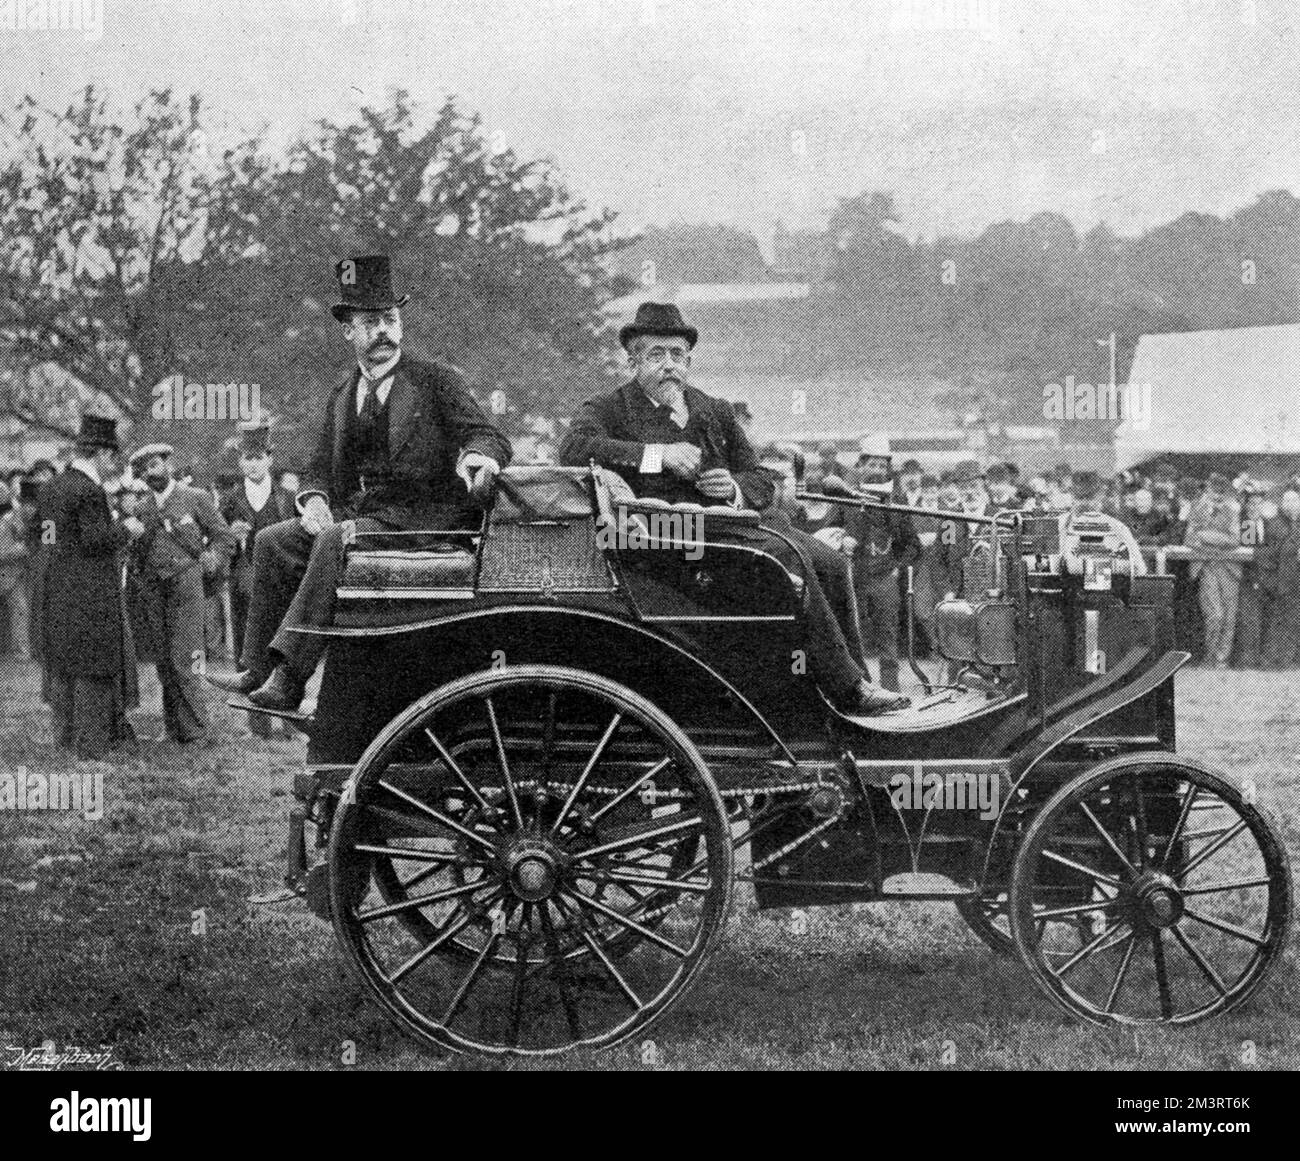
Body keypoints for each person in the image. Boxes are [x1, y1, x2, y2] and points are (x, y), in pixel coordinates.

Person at [559, 301, 906, 714]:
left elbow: (760, 477)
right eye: (655, 355)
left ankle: (854, 687)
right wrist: (657, 455)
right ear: (633, 359)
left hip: (729, 524)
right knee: (783, 555)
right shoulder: (609, 409)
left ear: (688, 360)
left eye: (677, 355)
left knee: (829, 561)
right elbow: (574, 449)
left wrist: (734, 488)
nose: (668, 366)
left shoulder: (714, 410)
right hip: (662, 537)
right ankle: (846, 689)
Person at [213, 254, 512, 712]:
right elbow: (318, 471)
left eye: (390, 320)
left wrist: (478, 460)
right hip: (372, 518)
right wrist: (312, 500)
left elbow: (486, 434)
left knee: (337, 537)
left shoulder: (435, 380)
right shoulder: (343, 395)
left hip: (430, 520)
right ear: (348, 331)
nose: (384, 333)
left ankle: (291, 677)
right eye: (371, 323)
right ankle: (256, 666)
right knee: (273, 541)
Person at [35, 415, 141, 759]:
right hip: (89, 591)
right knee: (93, 667)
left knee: (64, 664)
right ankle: (92, 747)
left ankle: (64, 740)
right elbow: (95, 540)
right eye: (113, 457)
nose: (113, 463)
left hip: (55, 586)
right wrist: (127, 528)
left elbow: (46, 535)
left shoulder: (51, 487)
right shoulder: (89, 491)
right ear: (102, 454)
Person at [128, 443, 234, 744]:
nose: (150, 473)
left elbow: (224, 537)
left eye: (155, 465)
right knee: (163, 659)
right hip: (153, 588)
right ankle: (174, 727)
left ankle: (197, 730)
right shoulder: (142, 507)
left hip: (186, 584)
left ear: (168, 465)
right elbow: (136, 550)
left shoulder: (195, 498)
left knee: (185, 657)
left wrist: (212, 557)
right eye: (144, 469)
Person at [840, 438, 921, 692]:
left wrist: (898, 568)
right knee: (852, 638)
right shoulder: (847, 497)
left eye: (882, 465)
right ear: (861, 466)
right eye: (871, 464)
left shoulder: (897, 501)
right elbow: (827, 529)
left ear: (888, 469)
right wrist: (843, 539)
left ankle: (890, 693)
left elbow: (913, 544)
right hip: (855, 578)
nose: (877, 470)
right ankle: (857, 691)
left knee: (888, 642)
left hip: (886, 578)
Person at [1184, 473, 1242, 668]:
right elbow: (1189, 539)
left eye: (1220, 497)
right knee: (1215, 614)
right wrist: (1217, 540)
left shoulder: (1232, 512)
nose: (1216, 501)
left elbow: (1235, 540)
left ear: (1225, 496)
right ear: (1207, 492)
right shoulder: (1196, 509)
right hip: (1206, 567)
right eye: (1213, 495)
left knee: (1229, 615)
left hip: (1228, 568)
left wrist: (1206, 537)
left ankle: (1222, 659)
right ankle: (1209, 656)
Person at [1261, 489, 1300, 667]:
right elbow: (1265, 553)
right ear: (1282, 503)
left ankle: (1290, 660)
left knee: (1294, 622)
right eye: (1287, 500)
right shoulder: (1274, 524)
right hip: (1278, 582)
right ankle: (1272, 661)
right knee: (1275, 622)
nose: (1291, 504)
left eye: (1294, 501)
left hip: (1296, 582)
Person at [1233, 485, 1269, 668]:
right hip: (1250, 578)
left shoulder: (1267, 523)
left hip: (1267, 579)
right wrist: (1255, 580)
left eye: (1259, 504)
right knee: (1249, 620)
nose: (1255, 507)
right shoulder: (1247, 524)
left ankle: (1259, 658)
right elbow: (1252, 555)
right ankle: (1247, 659)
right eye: (1252, 504)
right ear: (1246, 506)